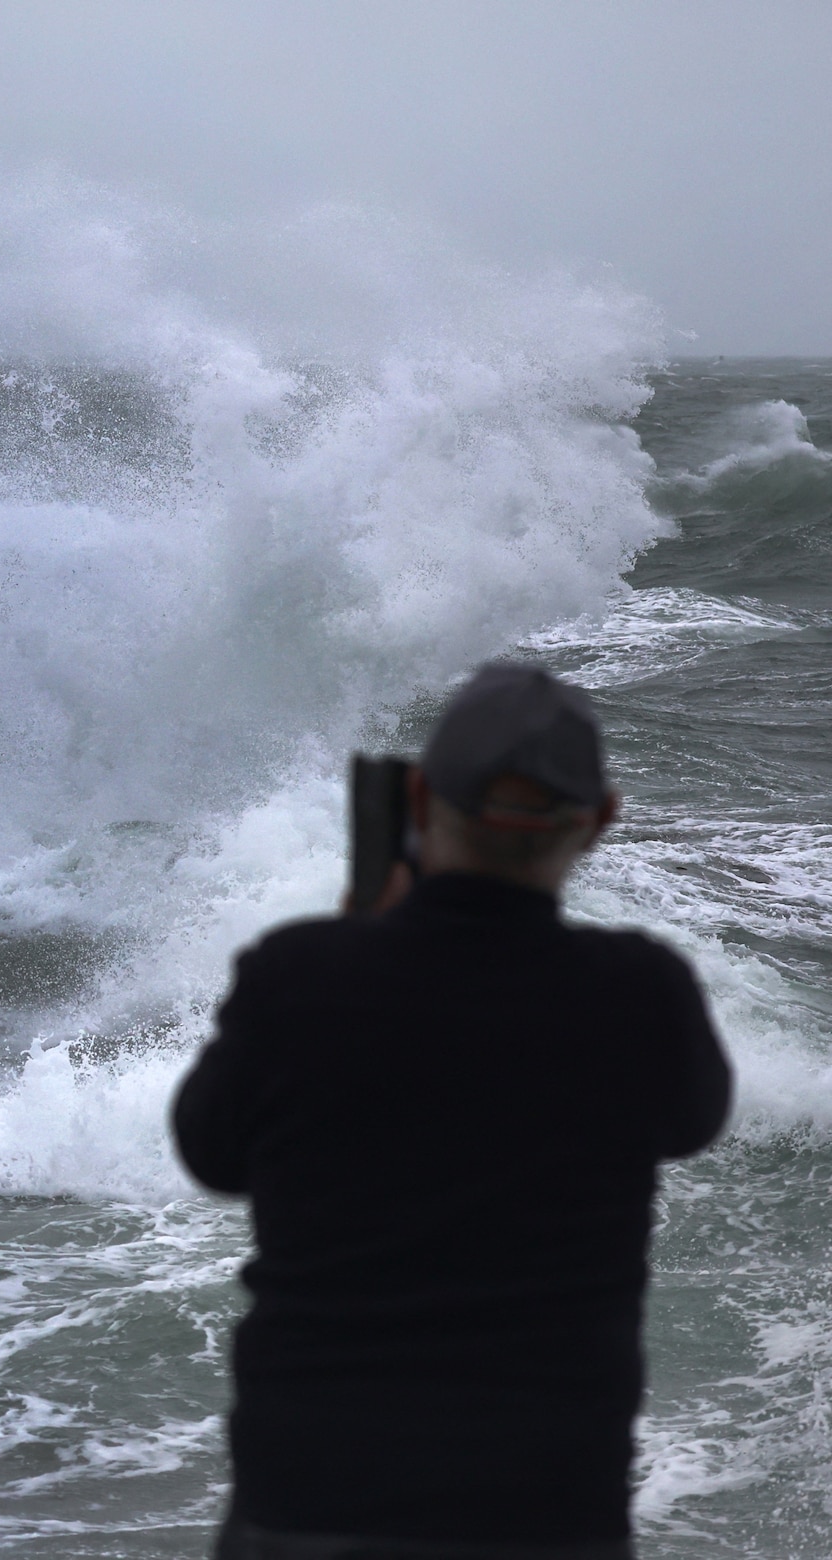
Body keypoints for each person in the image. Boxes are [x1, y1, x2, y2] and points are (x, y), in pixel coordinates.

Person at [172, 662, 732, 1560]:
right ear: (599, 823)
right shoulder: (640, 995)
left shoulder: (298, 978)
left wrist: (360, 931)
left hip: (312, 1498)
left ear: (423, 796)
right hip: (547, 1510)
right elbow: (693, 1122)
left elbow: (210, 1153)